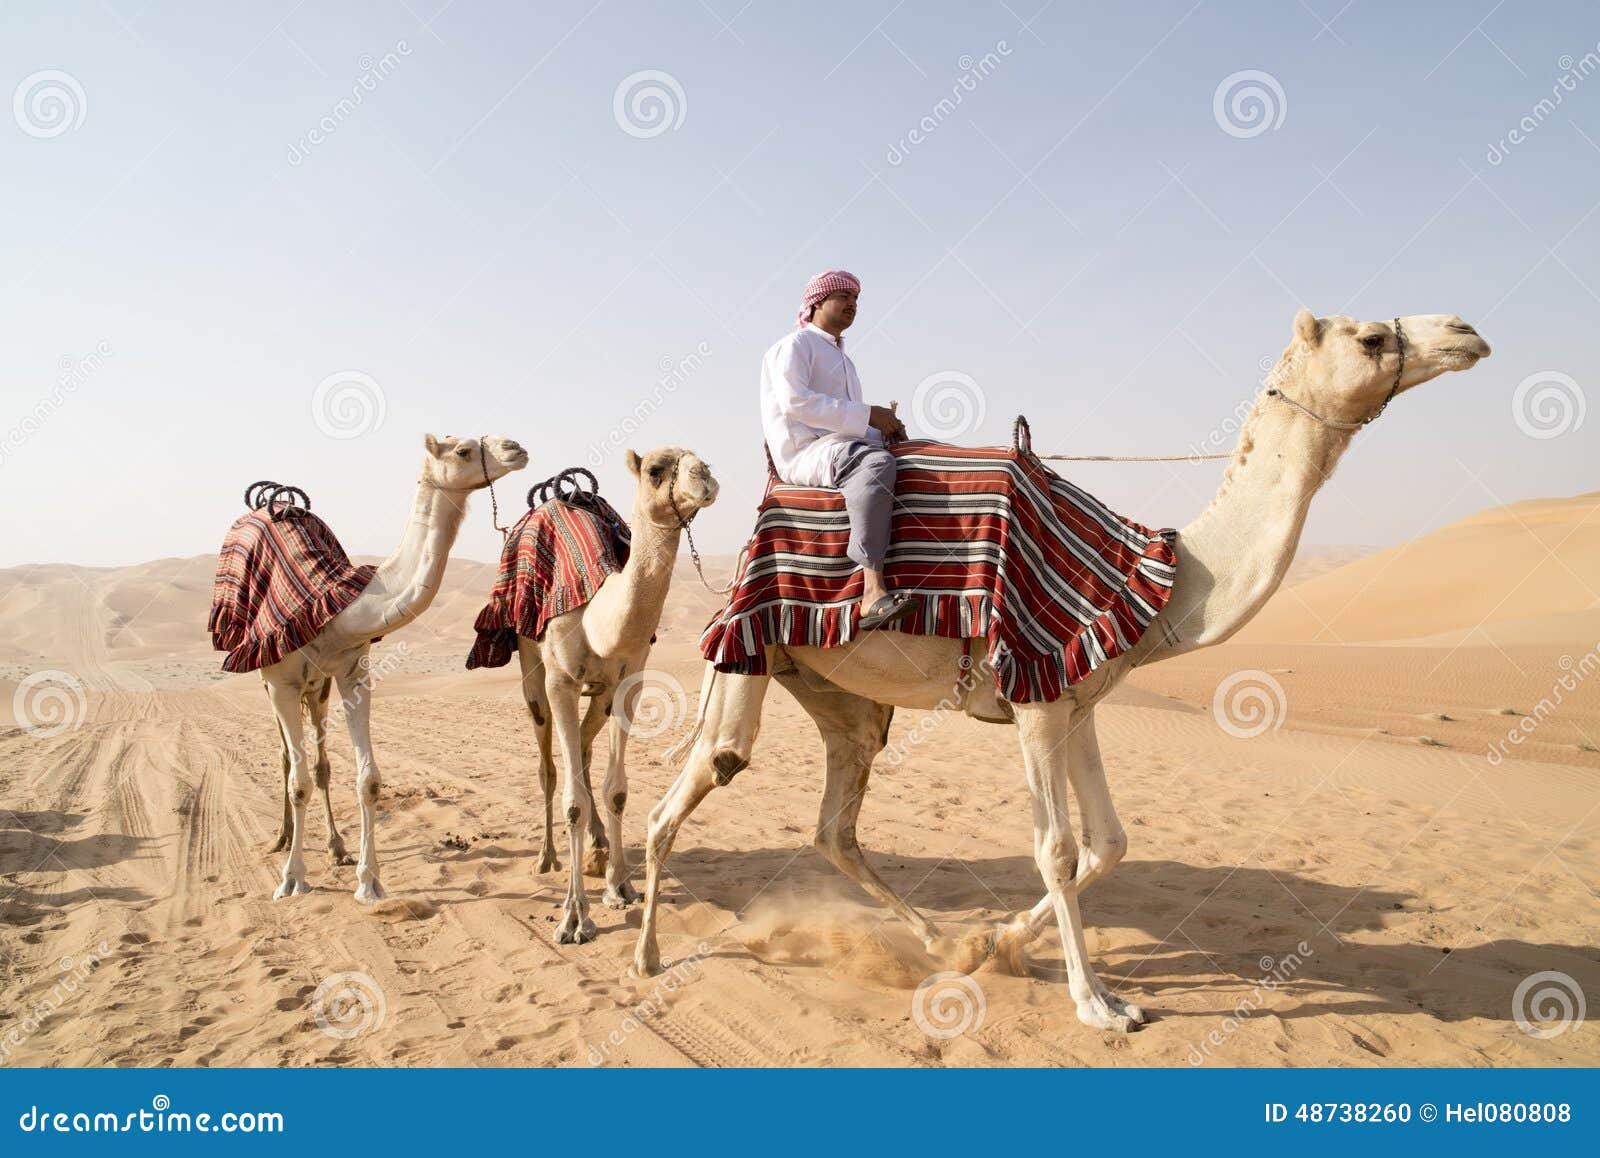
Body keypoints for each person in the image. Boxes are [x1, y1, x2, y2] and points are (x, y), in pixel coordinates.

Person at [759, 270, 919, 630]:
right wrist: (869, 415)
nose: (852, 304)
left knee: (915, 454)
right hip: (806, 452)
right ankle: (872, 590)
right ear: (815, 302)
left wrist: (885, 429)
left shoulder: (844, 359)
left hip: (839, 445)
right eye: (843, 296)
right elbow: (796, 403)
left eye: (856, 299)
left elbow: (845, 421)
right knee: (876, 465)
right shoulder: (794, 346)